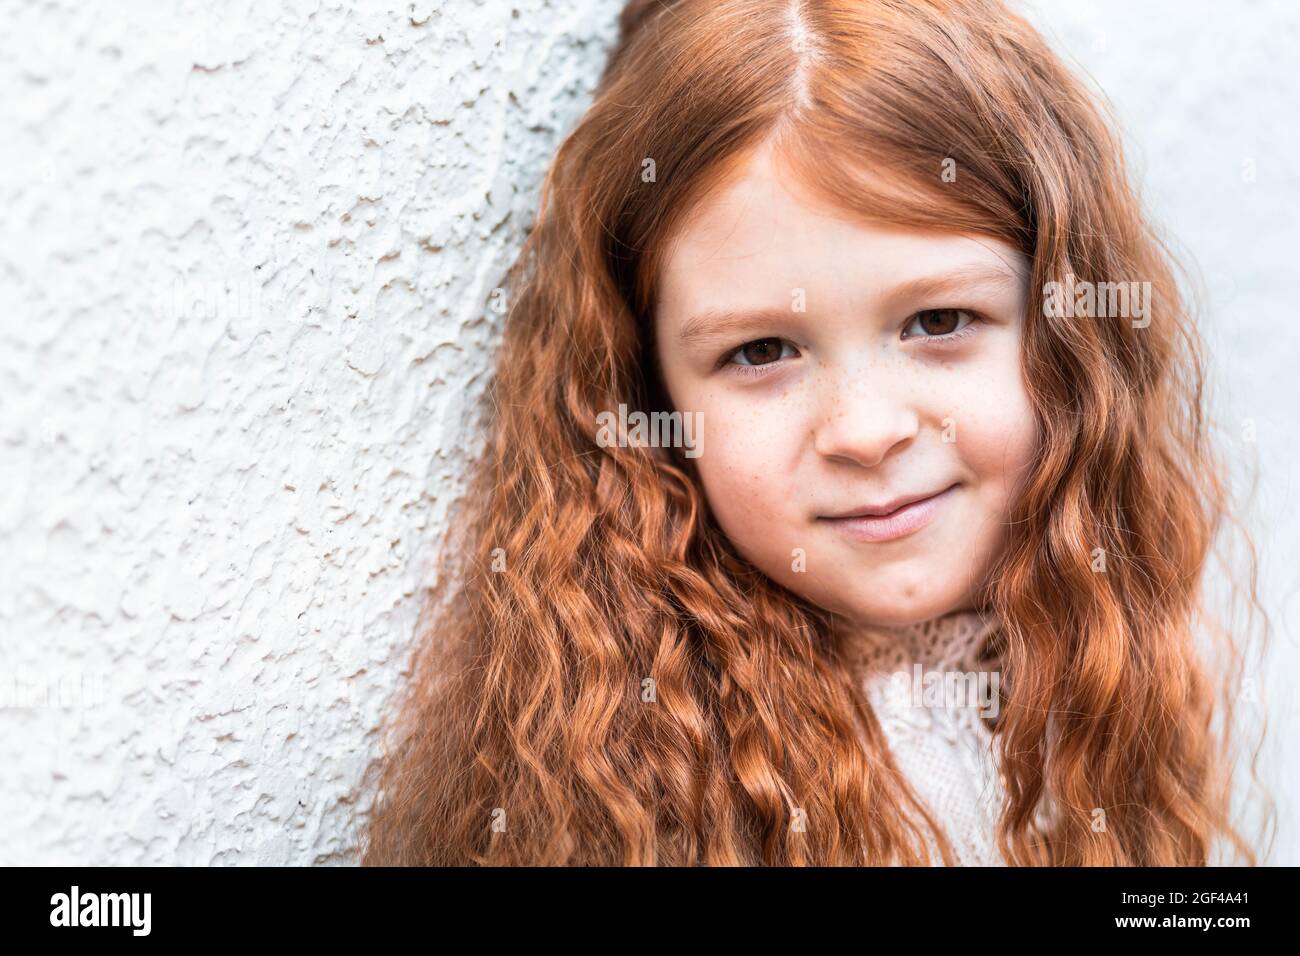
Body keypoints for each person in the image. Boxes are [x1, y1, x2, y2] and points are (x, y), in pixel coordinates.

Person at [360, 0, 1272, 866]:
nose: (866, 431)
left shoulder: (1100, 671)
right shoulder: (635, 781)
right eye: (762, 349)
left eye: (939, 321)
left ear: (1066, 337)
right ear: (649, 405)